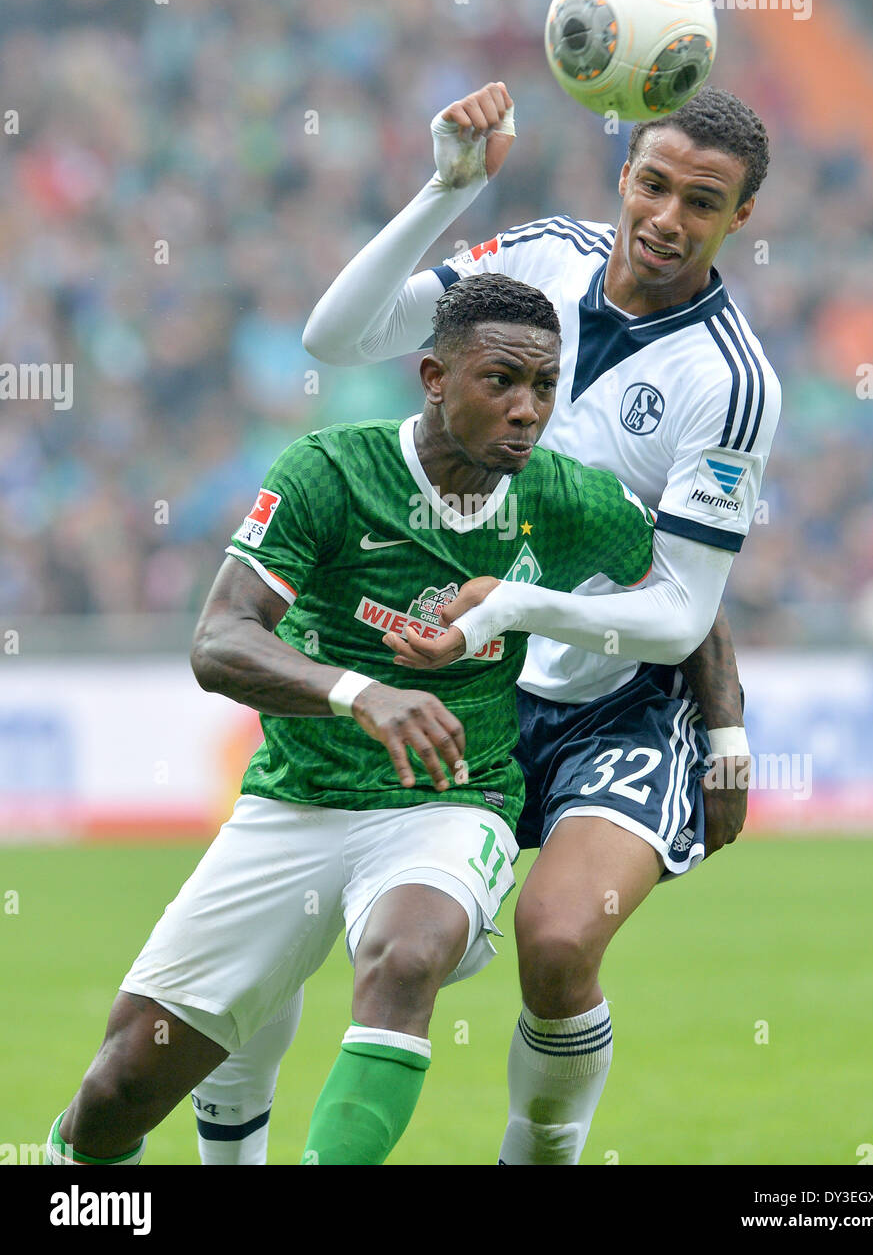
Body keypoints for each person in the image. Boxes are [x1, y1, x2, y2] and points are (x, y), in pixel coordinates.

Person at [195, 79, 780, 1167]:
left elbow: (677, 609)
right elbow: (337, 336)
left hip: (614, 704)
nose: (663, 217)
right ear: (622, 174)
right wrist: (442, 188)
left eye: (699, 202)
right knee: (278, 932)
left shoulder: (732, 382)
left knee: (557, 942)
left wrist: (717, 719)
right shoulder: (546, 255)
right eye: (650, 184)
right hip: (474, 690)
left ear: (737, 217)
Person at [46, 274, 659, 1168]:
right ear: (434, 377)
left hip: (451, 801)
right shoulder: (330, 472)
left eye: (544, 387)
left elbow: (690, 595)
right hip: (296, 799)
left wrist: (722, 738)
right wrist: (357, 693)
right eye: (501, 382)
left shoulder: (565, 498)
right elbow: (220, 640)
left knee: (407, 959)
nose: (527, 410)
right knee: (118, 1093)